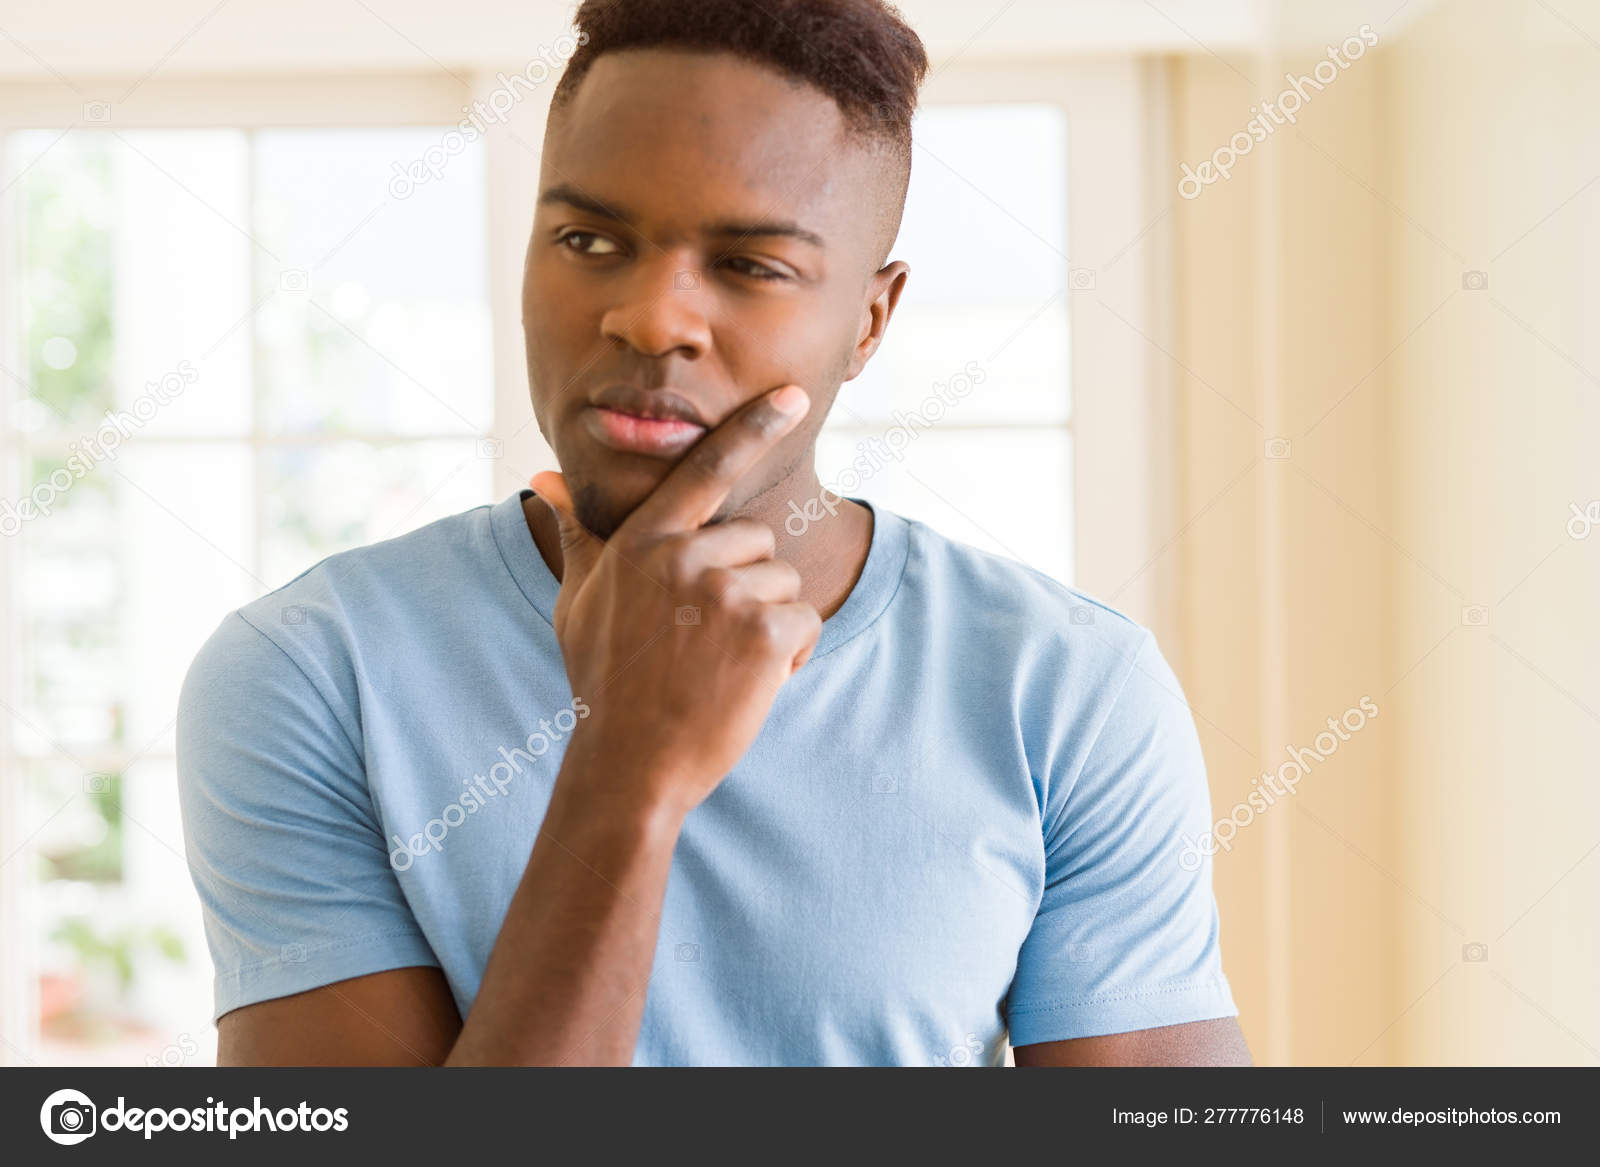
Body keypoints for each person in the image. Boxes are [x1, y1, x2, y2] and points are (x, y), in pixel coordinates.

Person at [176, 0, 1248, 1067]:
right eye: (588, 240)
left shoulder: (1066, 687)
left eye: (750, 265)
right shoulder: (313, 671)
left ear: (869, 322)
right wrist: (627, 770)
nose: (652, 319)